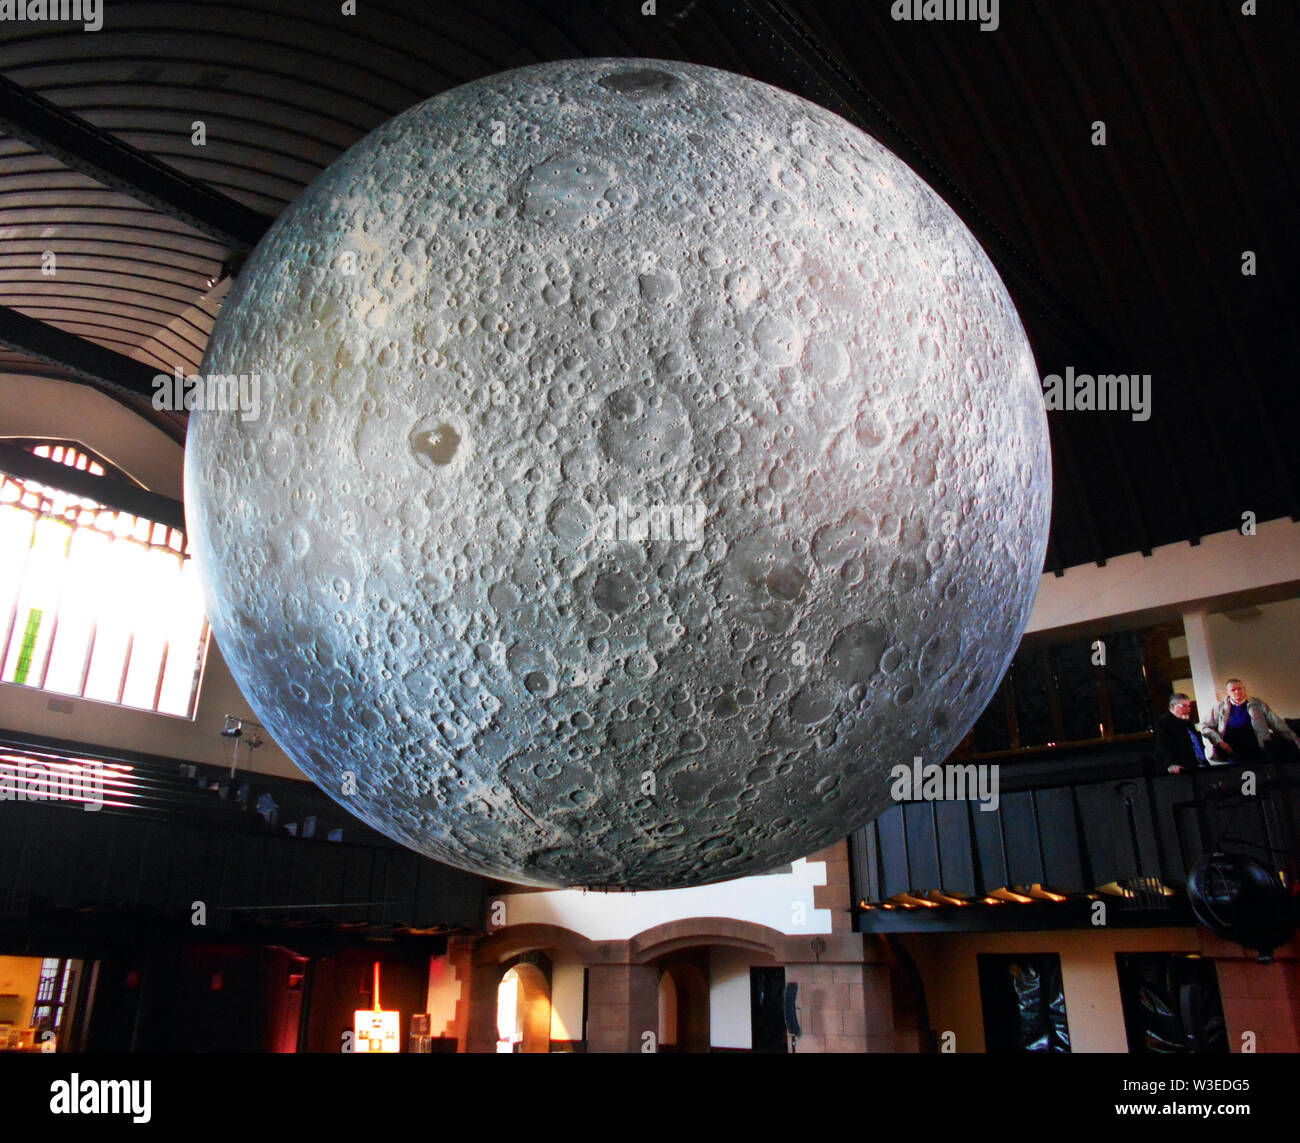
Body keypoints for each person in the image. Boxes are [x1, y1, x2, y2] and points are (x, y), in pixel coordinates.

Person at [1203, 679, 1300, 763]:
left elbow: (1276, 722)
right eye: (1233, 690)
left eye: (1239, 688)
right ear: (1228, 692)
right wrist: (1218, 741)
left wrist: (1294, 739)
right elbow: (1204, 726)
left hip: (1258, 750)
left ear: (1244, 689)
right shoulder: (1219, 707)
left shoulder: (1257, 703)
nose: (1237, 692)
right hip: (1233, 753)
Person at [1155, 693, 1220, 774]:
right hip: (1183, 769)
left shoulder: (1187, 722)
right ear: (1173, 706)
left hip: (1200, 765)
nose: (1188, 709)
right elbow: (1162, 747)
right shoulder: (1164, 723)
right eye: (1184, 706)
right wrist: (1171, 764)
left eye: (1189, 706)